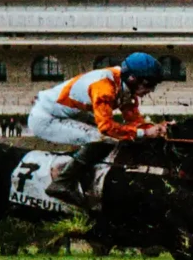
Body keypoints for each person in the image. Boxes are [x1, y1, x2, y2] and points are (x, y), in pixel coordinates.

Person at [27, 52, 166, 209]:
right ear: (133, 79)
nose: (151, 90)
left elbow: (134, 120)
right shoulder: (104, 87)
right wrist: (144, 133)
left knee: (111, 138)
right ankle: (62, 183)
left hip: (69, 114)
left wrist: (159, 129)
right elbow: (106, 128)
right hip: (46, 118)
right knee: (102, 138)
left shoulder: (123, 83)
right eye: (149, 85)